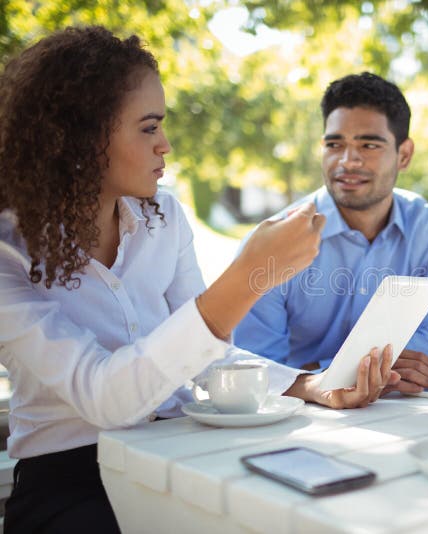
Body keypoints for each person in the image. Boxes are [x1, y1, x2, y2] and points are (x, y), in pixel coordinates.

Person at [0, 27, 395, 533]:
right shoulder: (9, 251)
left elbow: (207, 356)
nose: (165, 145)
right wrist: (248, 278)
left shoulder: (164, 217)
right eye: (148, 128)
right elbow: (103, 397)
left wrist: (311, 386)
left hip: (180, 449)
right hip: (72, 479)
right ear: (79, 135)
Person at [234, 72, 428, 394]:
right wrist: (343, 377)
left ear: (404, 155)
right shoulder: (273, 241)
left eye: (369, 145)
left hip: (413, 418)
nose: (348, 161)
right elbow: (252, 369)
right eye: (335, 144)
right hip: (302, 422)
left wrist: (314, 372)